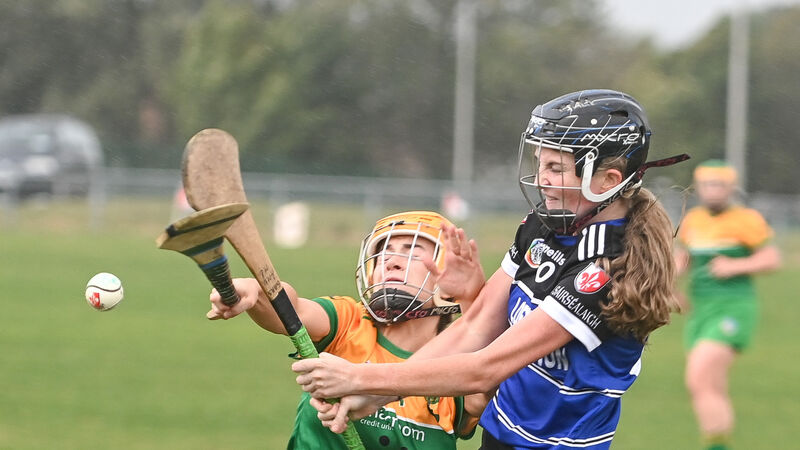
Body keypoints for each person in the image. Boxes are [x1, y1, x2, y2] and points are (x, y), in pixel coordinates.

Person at [292, 89, 691, 449]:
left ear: (607, 180)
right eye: (540, 164)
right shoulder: (543, 226)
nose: (542, 181)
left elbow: (487, 368)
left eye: (556, 168)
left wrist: (361, 378)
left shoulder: (606, 268)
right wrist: (376, 396)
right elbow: (476, 324)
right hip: (501, 434)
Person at [207, 210, 486, 449]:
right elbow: (290, 309)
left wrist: (472, 297)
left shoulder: (458, 367)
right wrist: (256, 291)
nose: (392, 261)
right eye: (384, 253)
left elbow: (488, 371)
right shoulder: (349, 320)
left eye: (413, 252)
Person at [674, 160, 781, 450]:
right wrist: (667, 288)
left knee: (698, 377)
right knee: (711, 388)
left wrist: (736, 265)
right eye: (707, 185)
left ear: (731, 188)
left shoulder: (746, 219)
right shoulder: (694, 220)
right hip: (701, 311)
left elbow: (771, 258)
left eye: (719, 185)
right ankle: (720, 445)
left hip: (733, 308)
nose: (713, 191)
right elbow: (682, 261)